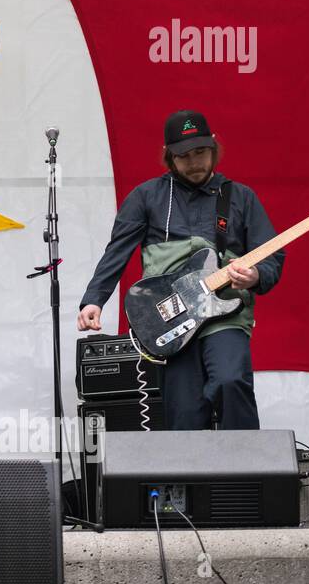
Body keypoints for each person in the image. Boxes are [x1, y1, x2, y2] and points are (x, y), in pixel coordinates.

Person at [77, 109, 283, 430]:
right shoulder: (146, 196)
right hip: (171, 319)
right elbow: (116, 251)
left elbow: (271, 255)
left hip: (225, 314)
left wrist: (257, 276)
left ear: (213, 147)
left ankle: (244, 476)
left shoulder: (240, 197)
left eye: (200, 152)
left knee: (230, 382)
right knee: (185, 412)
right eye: (183, 155)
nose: (194, 161)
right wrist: (94, 299)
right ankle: (193, 482)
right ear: (168, 157)